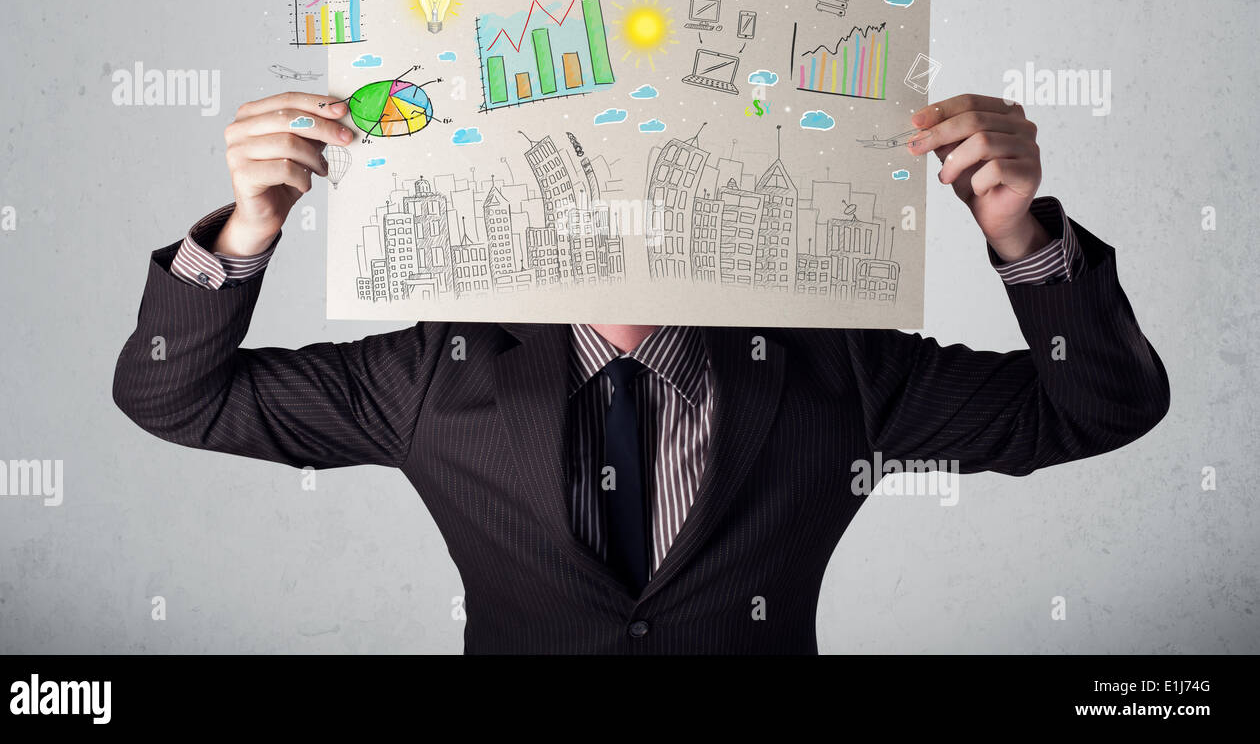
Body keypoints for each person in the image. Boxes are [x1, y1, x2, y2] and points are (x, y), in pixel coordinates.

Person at [112, 91, 1170, 654]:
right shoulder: (439, 368)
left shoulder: (838, 366)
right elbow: (173, 392)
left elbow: (1097, 407)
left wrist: (1016, 229)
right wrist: (249, 227)